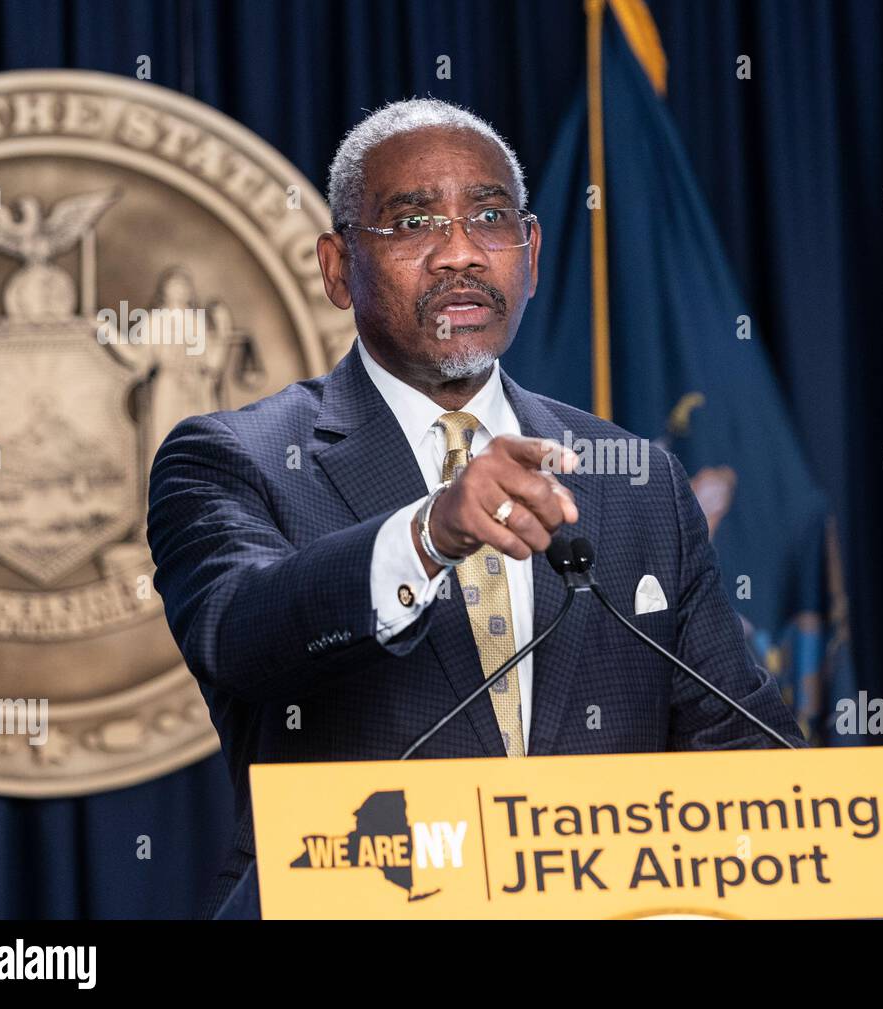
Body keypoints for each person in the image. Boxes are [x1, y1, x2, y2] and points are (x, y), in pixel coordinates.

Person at [146, 98, 805, 919]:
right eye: (413, 222)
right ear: (335, 266)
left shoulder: (636, 478)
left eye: (490, 217)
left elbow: (743, 749)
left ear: (528, 253)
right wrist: (428, 532)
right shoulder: (233, 457)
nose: (460, 252)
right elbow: (238, 632)